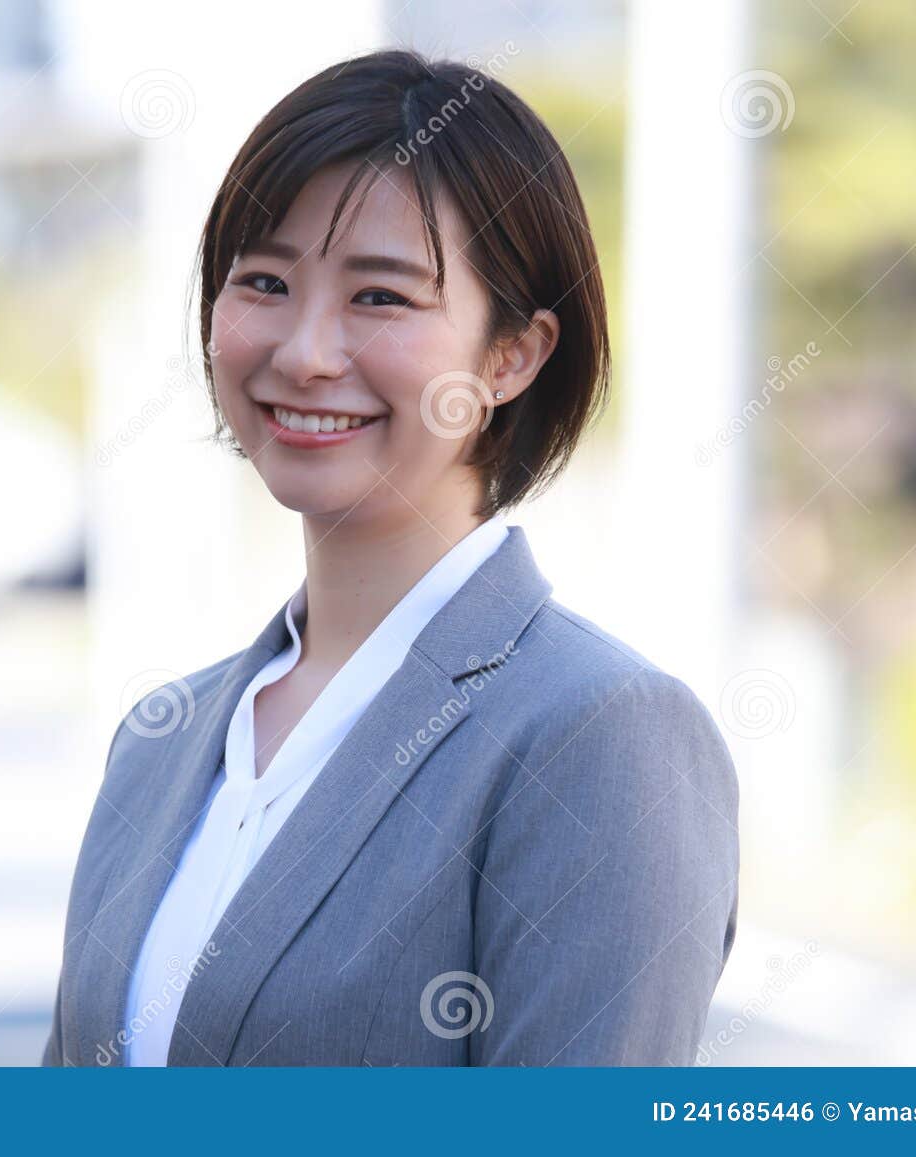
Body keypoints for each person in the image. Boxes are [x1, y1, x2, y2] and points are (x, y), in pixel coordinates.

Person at [43, 48, 738, 1067]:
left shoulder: (596, 734)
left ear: (511, 354)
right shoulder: (163, 738)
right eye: (266, 282)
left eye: (380, 297)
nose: (306, 350)